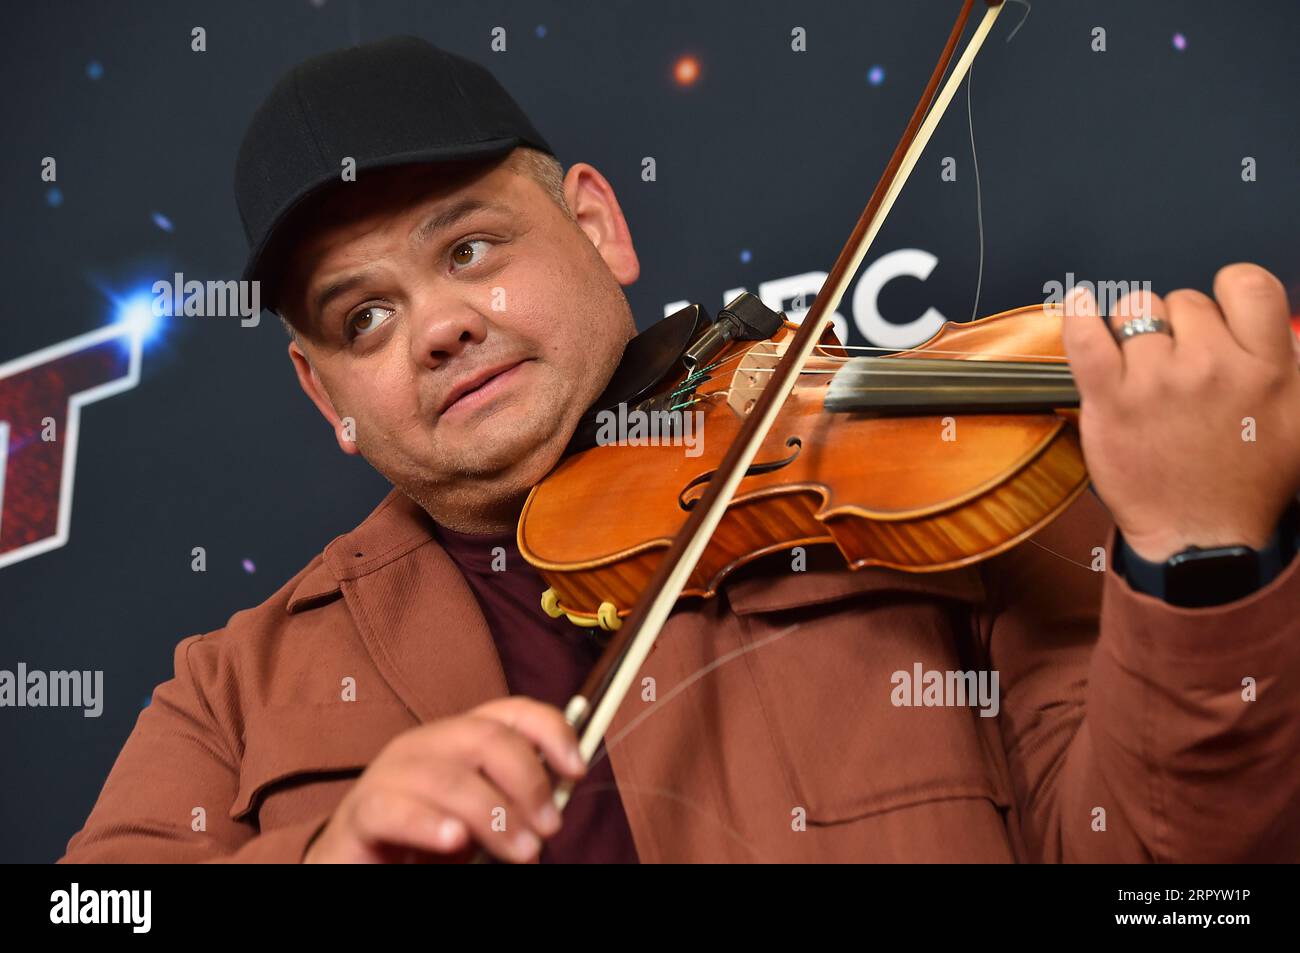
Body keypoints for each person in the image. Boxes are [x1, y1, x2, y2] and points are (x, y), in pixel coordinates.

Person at [61, 36, 1300, 864]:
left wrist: (1199, 557)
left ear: (596, 224)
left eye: (471, 247)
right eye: (363, 316)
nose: (438, 326)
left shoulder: (934, 500)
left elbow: (1165, 870)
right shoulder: (231, 685)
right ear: (320, 389)